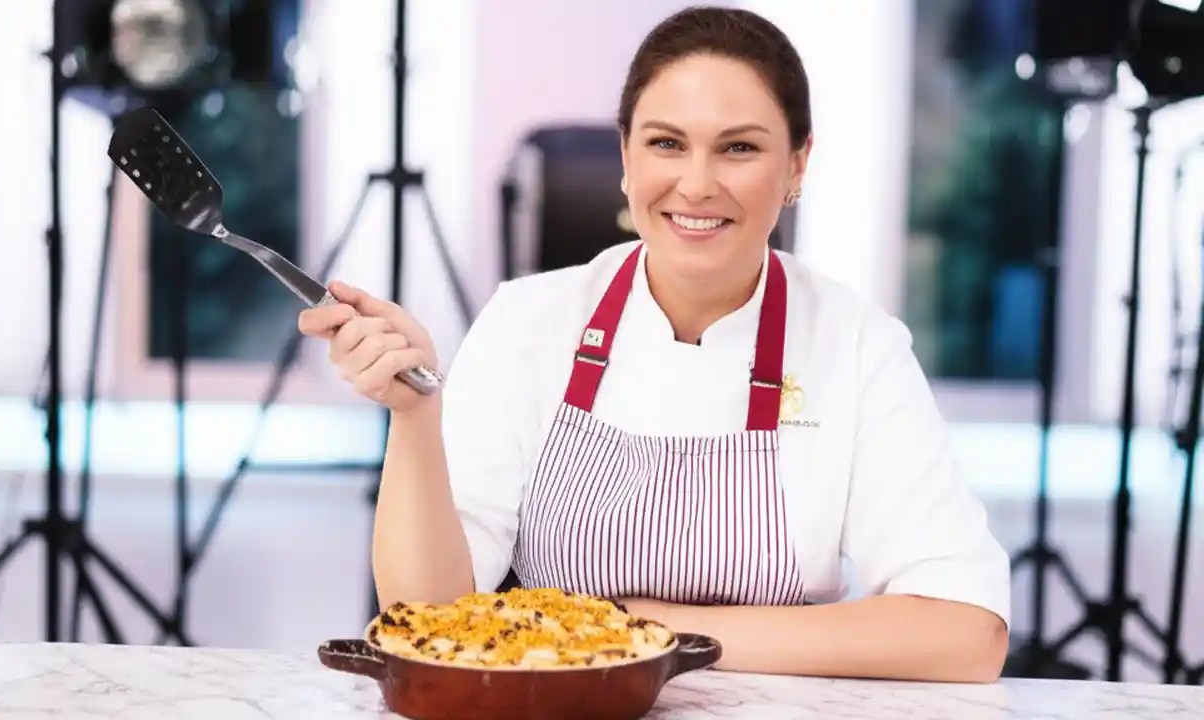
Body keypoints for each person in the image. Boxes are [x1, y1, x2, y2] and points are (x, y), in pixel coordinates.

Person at [298, 6, 1009, 683]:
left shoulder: (857, 346)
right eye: (666, 144)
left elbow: (967, 632)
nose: (696, 185)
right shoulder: (526, 323)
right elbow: (429, 620)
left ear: (797, 164)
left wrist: (638, 631)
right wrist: (415, 415)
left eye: (739, 148)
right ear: (626, 156)